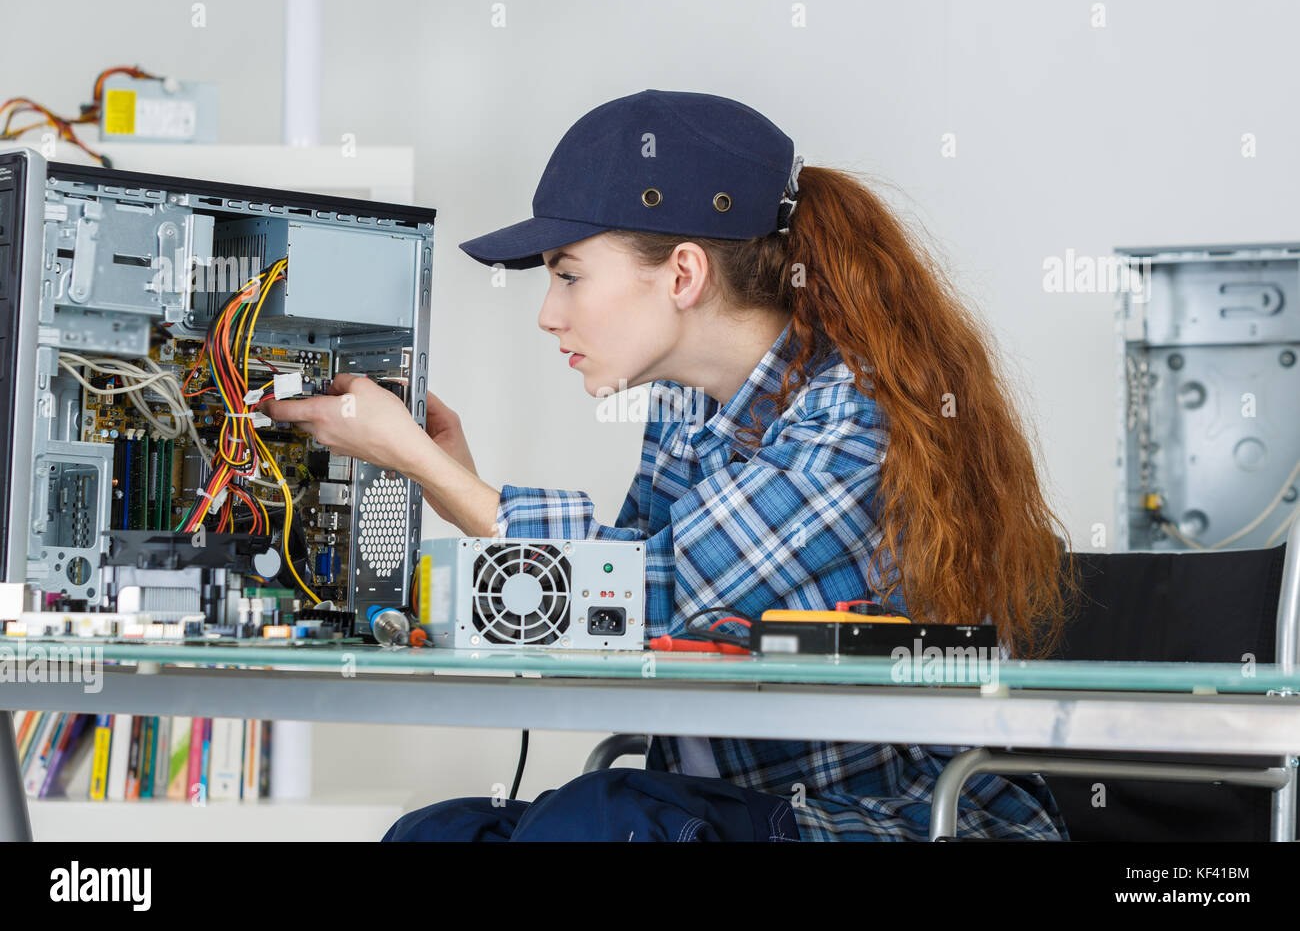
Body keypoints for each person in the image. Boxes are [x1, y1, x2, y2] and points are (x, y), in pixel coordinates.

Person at [261, 88, 1083, 842]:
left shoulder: (858, 415)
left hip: (890, 820)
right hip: (737, 809)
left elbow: (655, 590)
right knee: (436, 835)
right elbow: (622, 612)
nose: (549, 315)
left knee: (594, 823)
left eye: (569, 275)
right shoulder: (689, 406)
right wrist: (453, 479)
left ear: (684, 273)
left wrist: (434, 475)